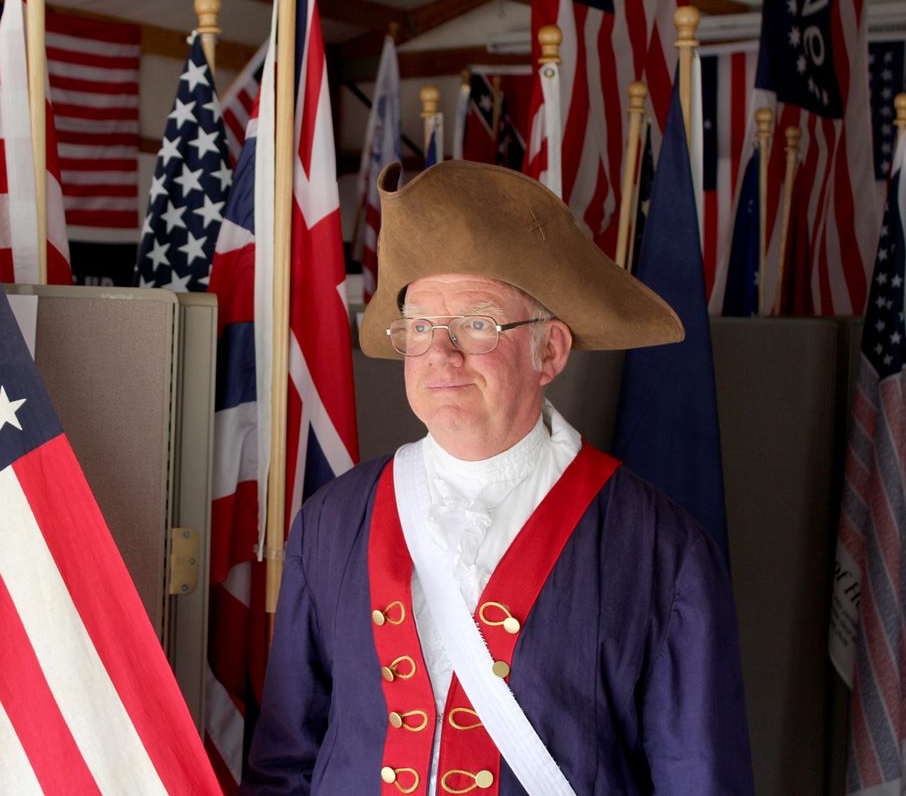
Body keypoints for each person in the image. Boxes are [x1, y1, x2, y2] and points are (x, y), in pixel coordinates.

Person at [241, 160, 753, 795]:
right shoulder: (329, 523)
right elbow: (284, 764)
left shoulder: (663, 552)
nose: (440, 354)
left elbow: (699, 781)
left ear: (551, 351)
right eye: (422, 326)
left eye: (477, 325)